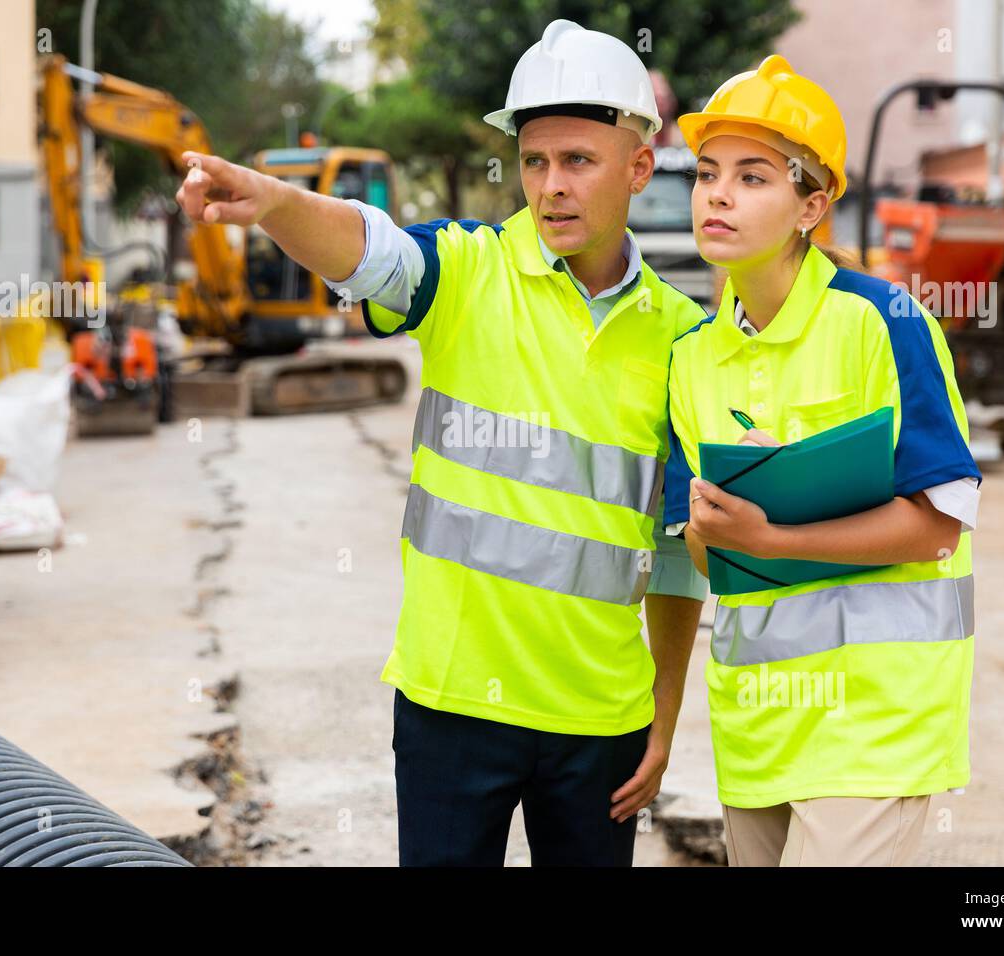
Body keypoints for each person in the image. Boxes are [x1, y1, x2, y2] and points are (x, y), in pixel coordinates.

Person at [175, 20, 708, 866]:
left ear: (638, 166)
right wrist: (279, 204)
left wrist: (665, 715)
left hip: (603, 722)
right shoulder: (468, 271)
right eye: (535, 161)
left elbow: (676, 555)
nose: (551, 186)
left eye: (578, 160)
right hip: (452, 707)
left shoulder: (687, 339)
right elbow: (371, 253)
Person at [663, 55, 982, 866]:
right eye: (706, 174)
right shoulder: (689, 360)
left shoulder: (884, 322)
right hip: (755, 726)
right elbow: (698, 553)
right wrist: (715, 527)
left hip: (876, 720)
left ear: (812, 204)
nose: (718, 195)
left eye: (752, 176)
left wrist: (775, 535)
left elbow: (939, 526)